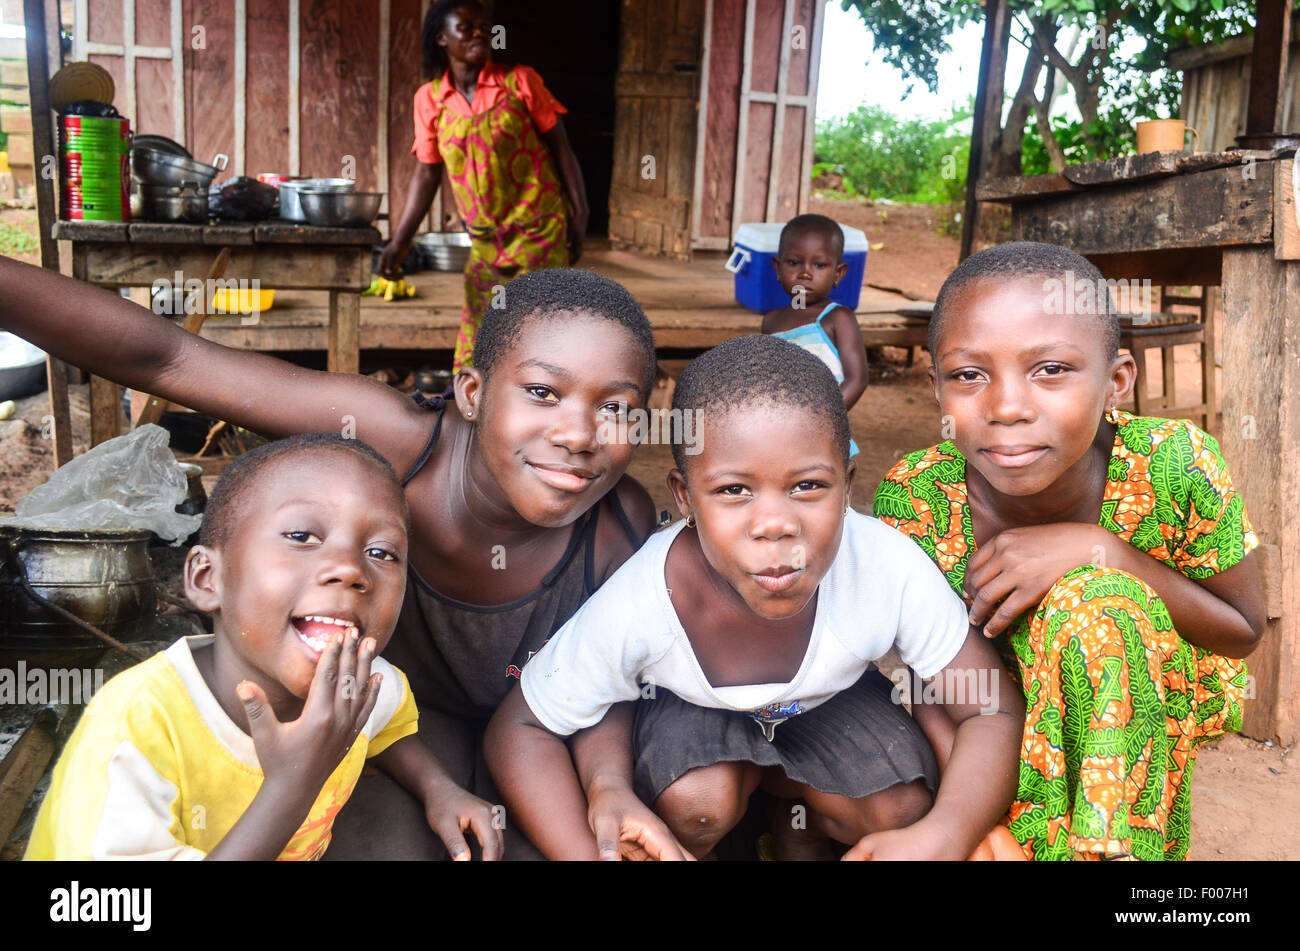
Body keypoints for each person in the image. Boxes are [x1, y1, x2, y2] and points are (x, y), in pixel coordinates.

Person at [0, 258, 677, 860]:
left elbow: (605, 680)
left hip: (539, 734)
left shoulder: (618, 524)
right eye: (542, 392)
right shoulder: (390, 443)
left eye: (617, 409)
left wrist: (605, 784)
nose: (578, 434)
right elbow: (167, 359)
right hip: (381, 726)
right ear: (471, 394)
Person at [485, 335, 1024, 860]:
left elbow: (989, 708)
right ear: (684, 497)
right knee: (698, 804)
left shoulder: (886, 565)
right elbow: (521, 727)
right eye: (733, 490)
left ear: (848, 482)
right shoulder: (645, 597)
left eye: (808, 486)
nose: (774, 524)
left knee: (901, 810)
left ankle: (796, 829)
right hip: (691, 717)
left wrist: (948, 835)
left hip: (830, 708)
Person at [873, 241, 1267, 860]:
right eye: (969, 375)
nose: (1006, 408)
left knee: (1097, 602)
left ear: (1116, 382)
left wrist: (1102, 549)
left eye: (1050, 369)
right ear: (936, 389)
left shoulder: (1175, 463)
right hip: (991, 717)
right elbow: (918, 676)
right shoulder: (919, 495)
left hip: (1146, 699)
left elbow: (1242, 631)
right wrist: (975, 819)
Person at [26, 434, 502, 860]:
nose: (350, 569)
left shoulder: (365, 682)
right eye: (301, 536)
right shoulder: (134, 732)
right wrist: (293, 784)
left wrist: (439, 789)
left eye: (381, 552)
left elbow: (390, 729)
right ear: (207, 577)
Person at [378, 0, 590, 373]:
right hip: (484, 241)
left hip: (539, 232)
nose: (480, 32)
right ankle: (475, 422)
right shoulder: (430, 100)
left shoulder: (520, 82)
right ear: (442, 38)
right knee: (480, 341)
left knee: (542, 333)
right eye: (467, 27)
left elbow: (562, 149)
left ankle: (541, 418)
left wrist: (581, 211)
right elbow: (427, 175)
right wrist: (399, 242)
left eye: (484, 26)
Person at [761, 213, 867, 457]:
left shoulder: (837, 318)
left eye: (819, 265)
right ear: (777, 268)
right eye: (794, 263)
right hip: (778, 436)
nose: (805, 273)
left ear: (838, 274)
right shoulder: (771, 321)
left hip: (823, 437)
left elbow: (857, 379)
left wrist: (817, 420)